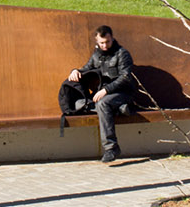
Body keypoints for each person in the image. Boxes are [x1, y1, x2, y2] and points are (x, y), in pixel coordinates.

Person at [59, 25, 137, 162]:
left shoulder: (122, 54)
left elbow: (126, 78)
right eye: (101, 43)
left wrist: (106, 90)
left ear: (112, 38)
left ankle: (111, 148)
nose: (105, 46)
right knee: (79, 104)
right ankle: (119, 109)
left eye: (107, 42)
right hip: (104, 95)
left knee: (102, 104)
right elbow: (86, 68)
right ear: (97, 41)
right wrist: (75, 71)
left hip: (122, 93)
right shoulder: (96, 55)